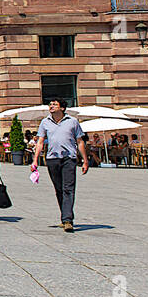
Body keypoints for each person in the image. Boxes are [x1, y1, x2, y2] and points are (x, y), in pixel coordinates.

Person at [32, 97, 89, 233]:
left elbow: (80, 141)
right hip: (52, 159)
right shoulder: (45, 122)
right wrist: (35, 160)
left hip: (69, 158)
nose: (51, 106)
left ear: (62, 108)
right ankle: (65, 216)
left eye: (54, 104)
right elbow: (40, 142)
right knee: (59, 189)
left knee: (68, 188)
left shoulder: (73, 122)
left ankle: (67, 219)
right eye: (50, 104)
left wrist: (85, 160)